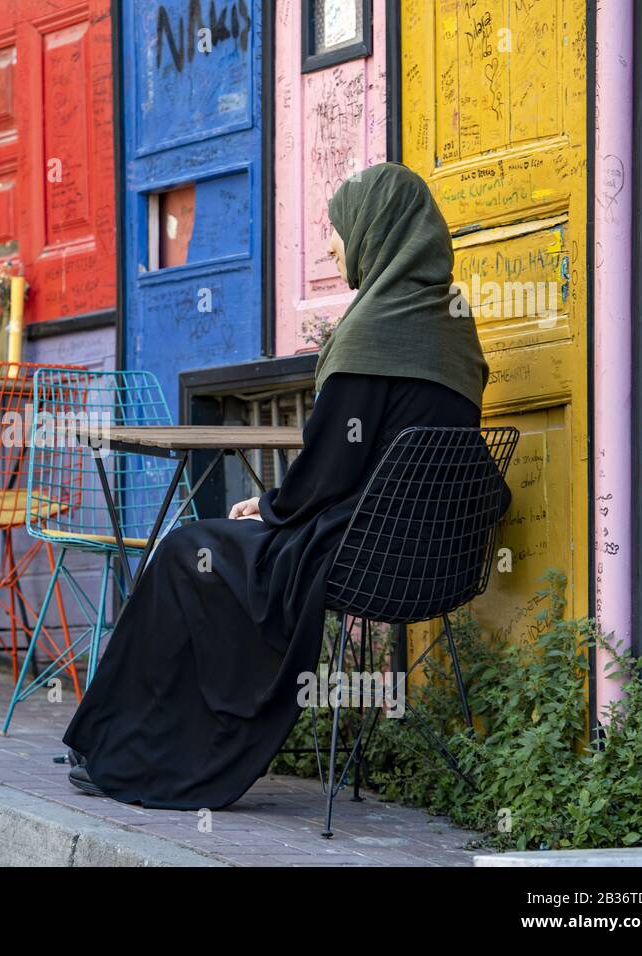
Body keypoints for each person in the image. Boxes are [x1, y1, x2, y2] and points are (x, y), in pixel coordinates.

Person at [61, 162, 509, 810]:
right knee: (215, 554)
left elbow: (328, 471)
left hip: (360, 553)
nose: (330, 245)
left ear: (376, 230)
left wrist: (271, 509)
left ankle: (128, 749)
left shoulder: (374, 332)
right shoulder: (453, 330)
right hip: (441, 558)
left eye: (339, 229)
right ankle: (127, 741)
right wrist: (279, 510)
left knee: (186, 553)